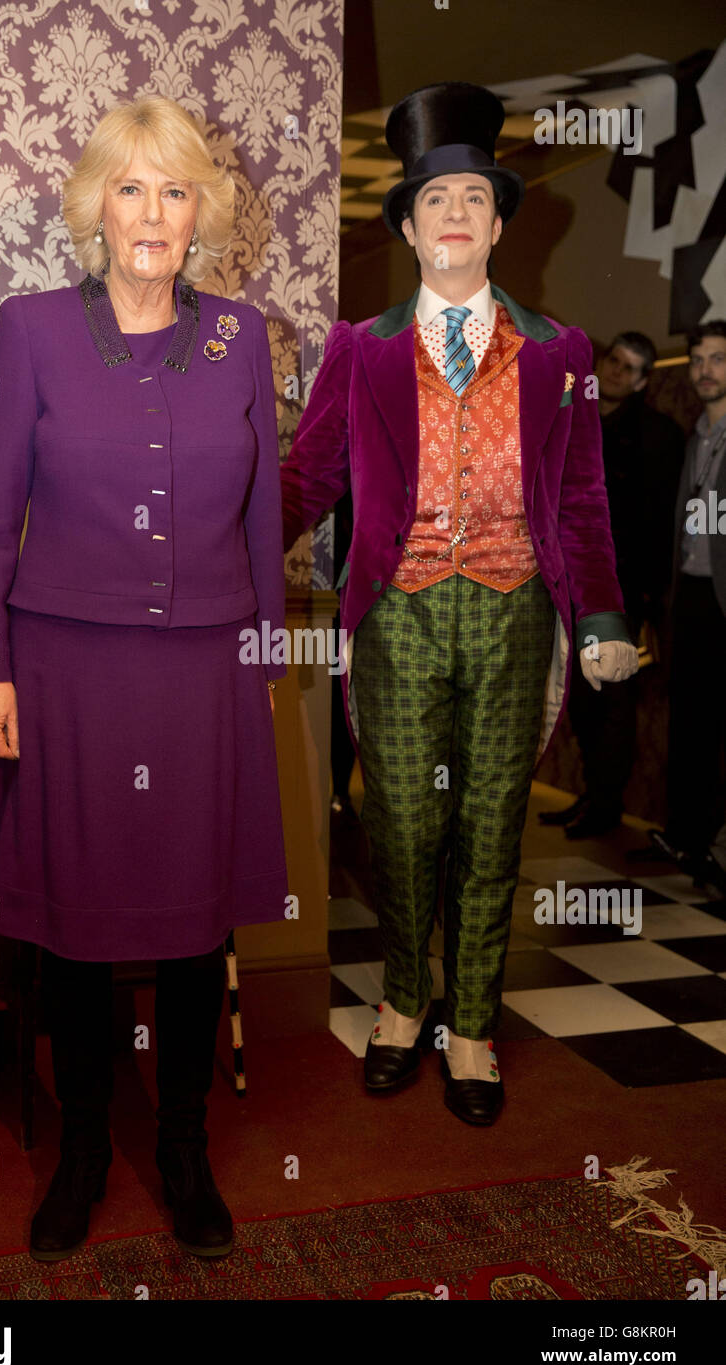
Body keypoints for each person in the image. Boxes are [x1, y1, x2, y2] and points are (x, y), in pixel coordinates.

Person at [0, 96, 287, 1262]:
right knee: (76, 930)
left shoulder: (238, 335)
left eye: (175, 189)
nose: (153, 212)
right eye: (131, 187)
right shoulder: (37, 327)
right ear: (96, 206)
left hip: (203, 666)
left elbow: (262, 517)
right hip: (66, 670)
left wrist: (261, 661)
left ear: (201, 212)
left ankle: (185, 1148)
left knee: (197, 927)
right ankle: (88, 1148)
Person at [280, 82, 638, 1128]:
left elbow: (580, 499)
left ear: (493, 224)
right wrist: (230, 566)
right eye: (434, 199)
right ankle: (402, 1002)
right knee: (398, 823)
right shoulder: (360, 348)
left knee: (487, 828)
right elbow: (308, 482)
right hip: (394, 615)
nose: (452, 214)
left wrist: (605, 617)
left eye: (473, 199)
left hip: (513, 610)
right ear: (403, 225)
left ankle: (469, 1024)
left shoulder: (559, 355)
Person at [539, 332, 684, 838]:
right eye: (614, 363)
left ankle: (604, 804)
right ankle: (590, 794)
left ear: (645, 380)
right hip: (567, 581)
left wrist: (643, 598)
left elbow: (658, 523)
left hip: (621, 589)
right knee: (579, 693)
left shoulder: (656, 434)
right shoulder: (573, 417)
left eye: (631, 368)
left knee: (613, 698)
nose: (618, 373)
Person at [646, 321, 726, 876]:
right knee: (691, 722)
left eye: (718, 359)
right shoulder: (695, 435)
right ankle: (689, 837)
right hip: (693, 596)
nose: (704, 370)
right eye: (698, 360)